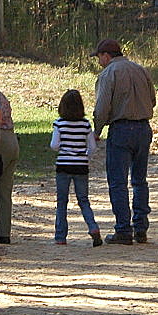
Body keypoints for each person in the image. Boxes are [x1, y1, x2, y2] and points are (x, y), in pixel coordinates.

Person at [92, 38, 156, 244]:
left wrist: (97, 130)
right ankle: (141, 227)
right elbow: (153, 100)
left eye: (99, 57)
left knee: (118, 182)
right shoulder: (141, 70)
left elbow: (102, 107)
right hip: (143, 128)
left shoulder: (108, 73)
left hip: (121, 129)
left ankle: (123, 229)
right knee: (139, 180)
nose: (99, 62)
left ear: (106, 55)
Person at [51, 89, 102, 246]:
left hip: (63, 165)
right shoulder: (85, 125)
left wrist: (64, 149)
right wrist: (84, 156)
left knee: (62, 201)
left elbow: (54, 145)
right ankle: (93, 227)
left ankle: (60, 236)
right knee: (83, 200)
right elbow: (92, 147)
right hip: (81, 166)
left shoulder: (59, 124)